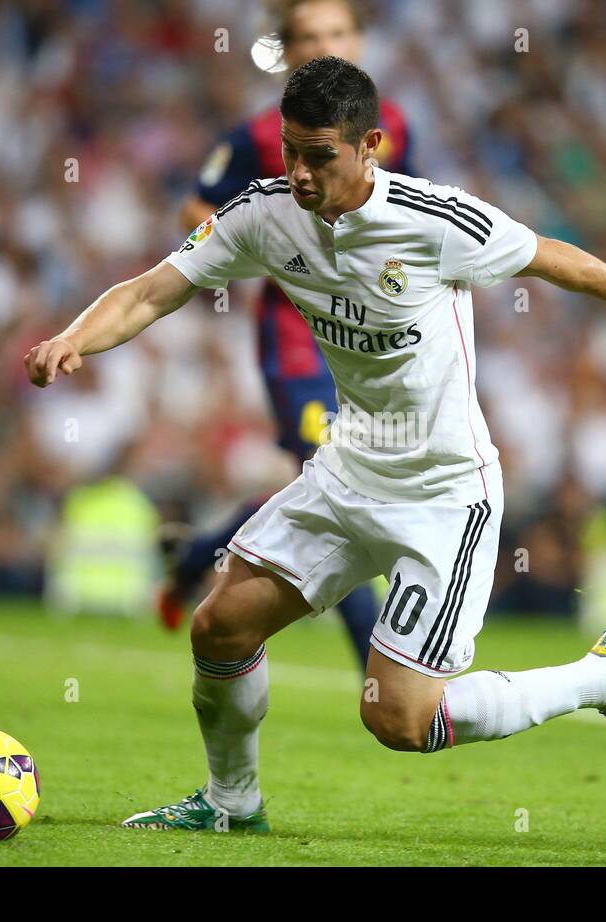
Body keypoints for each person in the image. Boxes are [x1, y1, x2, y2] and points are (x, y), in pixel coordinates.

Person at [26, 57, 606, 833]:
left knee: (401, 720)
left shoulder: (437, 221)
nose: (298, 172)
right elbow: (150, 290)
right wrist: (73, 338)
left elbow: (543, 254)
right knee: (219, 626)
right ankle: (231, 805)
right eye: (289, 150)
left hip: (444, 493)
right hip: (345, 472)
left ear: (370, 146)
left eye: (319, 155)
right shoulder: (265, 213)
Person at [159, 0, 416, 670]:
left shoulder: (396, 128)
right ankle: (380, 671)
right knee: (345, 487)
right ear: (287, 51)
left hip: (372, 342)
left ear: (360, 40)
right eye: (308, 37)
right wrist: (259, 248)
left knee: (328, 480)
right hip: (298, 340)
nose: (325, 46)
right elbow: (195, 207)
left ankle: (198, 552)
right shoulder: (253, 136)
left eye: (337, 33)